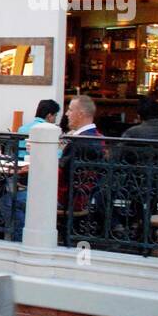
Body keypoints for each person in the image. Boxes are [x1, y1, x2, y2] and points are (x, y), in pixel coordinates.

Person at [58, 95, 106, 231]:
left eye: (70, 110)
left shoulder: (78, 142)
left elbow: (62, 173)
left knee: (14, 199)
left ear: (81, 114)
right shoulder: (98, 137)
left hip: (70, 199)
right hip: (85, 195)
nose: (66, 114)